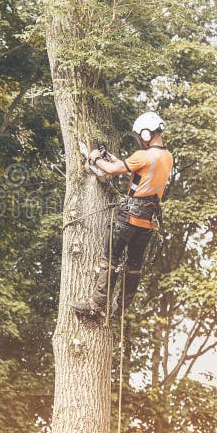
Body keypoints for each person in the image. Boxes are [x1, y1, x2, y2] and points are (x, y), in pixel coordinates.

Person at [70, 111, 173, 319]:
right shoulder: (167, 157)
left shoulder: (142, 156)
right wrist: (118, 162)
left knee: (110, 259)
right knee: (134, 266)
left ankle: (96, 305)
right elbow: (142, 174)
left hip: (130, 217)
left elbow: (111, 169)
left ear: (146, 134)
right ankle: (120, 309)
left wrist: (97, 159)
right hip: (149, 222)